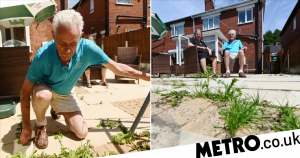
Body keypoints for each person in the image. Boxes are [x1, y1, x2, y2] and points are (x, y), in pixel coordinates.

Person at [19, 10, 150, 149]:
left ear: (80, 37)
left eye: (73, 43)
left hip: (65, 94)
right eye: (62, 43)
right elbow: (24, 92)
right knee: (42, 96)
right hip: (45, 89)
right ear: (54, 35)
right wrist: (26, 126)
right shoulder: (42, 55)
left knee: (82, 133)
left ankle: (57, 110)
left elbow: (118, 68)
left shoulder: (88, 48)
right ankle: (40, 126)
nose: (67, 50)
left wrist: (147, 77)